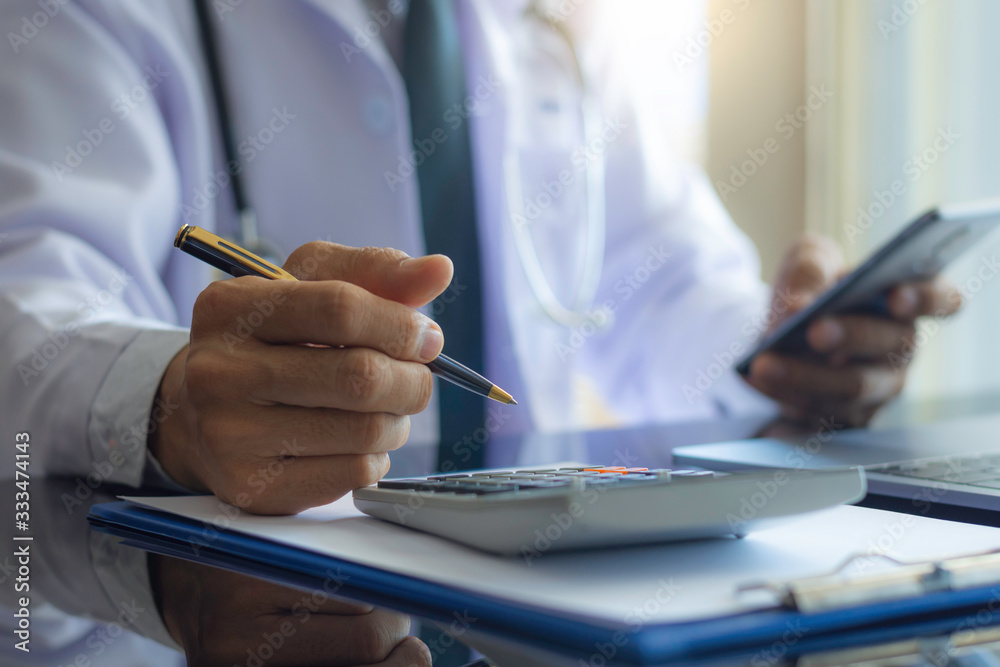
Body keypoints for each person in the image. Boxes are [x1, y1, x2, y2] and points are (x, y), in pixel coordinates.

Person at [0, 0, 957, 662]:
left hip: (526, 597)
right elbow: (27, 303)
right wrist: (171, 394)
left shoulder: (545, 29)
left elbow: (674, 296)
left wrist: (792, 353)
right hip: (210, 607)